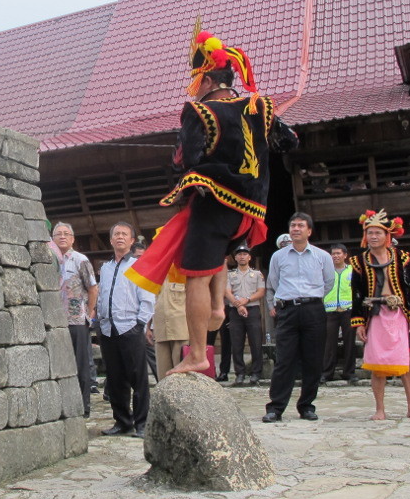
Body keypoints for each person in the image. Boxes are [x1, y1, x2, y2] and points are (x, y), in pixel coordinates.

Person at [126, 23, 297, 376]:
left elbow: (184, 160)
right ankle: (218, 308)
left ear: (205, 81)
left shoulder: (200, 112)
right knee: (217, 258)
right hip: (249, 212)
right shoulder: (259, 106)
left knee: (194, 277)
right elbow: (289, 142)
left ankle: (198, 354)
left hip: (214, 205)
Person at [350, 210, 410, 420]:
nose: (373, 236)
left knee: (408, 363)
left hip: (399, 315)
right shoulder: (359, 262)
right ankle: (380, 409)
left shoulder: (401, 258)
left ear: (387, 236)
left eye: (378, 232)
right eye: (370, 232)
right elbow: (357, 294)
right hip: (375, 315)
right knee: (377, 366)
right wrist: (359, 323)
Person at [262, 213, 335, 422]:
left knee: (313, 360)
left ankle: (307, 406)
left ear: (309, 231)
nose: (296, 229)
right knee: (284, 359)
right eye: (293, 225)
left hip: (313, 310)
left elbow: (328, 282)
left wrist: (310, 298)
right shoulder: (279, 256)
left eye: (300, 226)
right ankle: (275, 407)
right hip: (288, 310)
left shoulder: (323, 256)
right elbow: (274, 282)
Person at [97, 222, 155, 438]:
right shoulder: (106, 267)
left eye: (124, 234)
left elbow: (148, 297)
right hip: (107, 328)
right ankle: (122, 421)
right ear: (111, 240)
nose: (120, 237)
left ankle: (142, 423)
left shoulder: (140, 265)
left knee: (138, 377)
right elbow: (102, 295)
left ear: (132, 241)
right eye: (116, 234)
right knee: (115, 378)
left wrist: (140, 323)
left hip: (130, 327)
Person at [52, 222, 98, 417]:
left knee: (81, 363)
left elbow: (93, 287)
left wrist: (90, 312)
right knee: (60, 363)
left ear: (72, 238)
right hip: (55, 320)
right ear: (52, 238)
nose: (62, 237)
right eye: (58, 234)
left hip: (77, 319)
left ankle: (83, 405)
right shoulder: (49, 260)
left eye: (66, 234)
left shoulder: (81, 260)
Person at [225, 244, 266, 385]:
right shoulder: (230, 275)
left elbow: (261, 291)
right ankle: (239, 373)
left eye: (245, 254)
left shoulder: (257, 274)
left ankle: (256, 373)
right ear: (235, 257)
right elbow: (227, 292)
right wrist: (238, 305)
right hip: (235, 311)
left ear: (249, 257)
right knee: (237, 344)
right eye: (239, 254)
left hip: (253, 309)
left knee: (255, 342)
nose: (242, 256)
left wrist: (246, 300)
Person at [321, 244, 358, 385]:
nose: (335, 256)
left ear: (345, 255)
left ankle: (349, 372)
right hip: (329, 310)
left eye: (338, 253)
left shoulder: (352, 270)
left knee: (350, 342)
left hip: (348, 309)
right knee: (329, 343)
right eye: (333, 254)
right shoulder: (326, 271)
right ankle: (327, 373)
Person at [145, 266, 188, 381]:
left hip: (181, 330)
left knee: (181, 375)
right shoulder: (157, 276)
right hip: (160, 330)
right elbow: (151, 304)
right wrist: (148, 328)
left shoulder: (184, 273)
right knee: (163, 375)